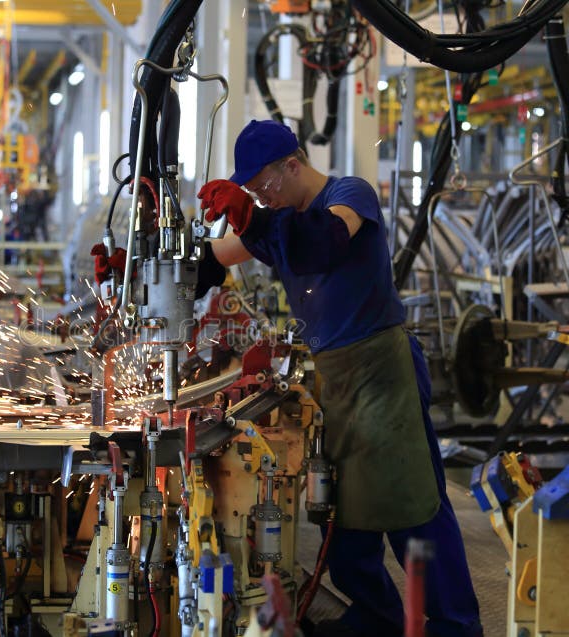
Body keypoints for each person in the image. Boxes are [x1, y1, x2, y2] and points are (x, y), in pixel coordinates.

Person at [197, 120, 482, 637]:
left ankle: (455, 626)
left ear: (293, 163)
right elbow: (214, 260)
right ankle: (380, 623)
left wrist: (253, 220)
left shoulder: (349, 194)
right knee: (345, 530)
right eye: (253, 192)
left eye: (264, 185)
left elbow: (323, 243)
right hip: (338, 384)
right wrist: (145, 259)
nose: (262, 197)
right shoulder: (278, 224)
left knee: (413, 510)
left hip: (382, 372)